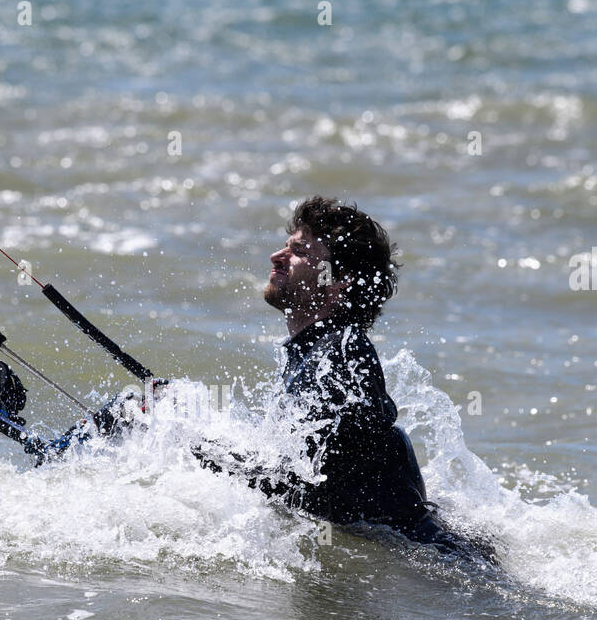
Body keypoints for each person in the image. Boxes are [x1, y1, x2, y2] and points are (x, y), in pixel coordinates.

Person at [192, 196, 487, 558]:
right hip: (415, 552)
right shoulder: (315, 353)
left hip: (441, 565)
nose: (277, 256)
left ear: (339, 281)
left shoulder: (342, 355)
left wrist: (194, 447)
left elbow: (315, 489)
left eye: (299, 250)